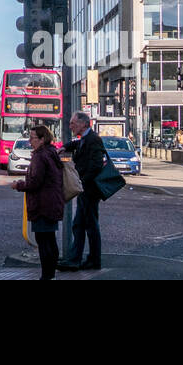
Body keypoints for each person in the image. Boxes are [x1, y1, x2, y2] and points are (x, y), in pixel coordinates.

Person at [12, 125, 64, 280]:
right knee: (50, 239)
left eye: (33, 138)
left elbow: (35, 182)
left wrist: (18, 185)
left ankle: (46, 276)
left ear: (42, 139)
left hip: (43, 205)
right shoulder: (51, 152)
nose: (30, 141)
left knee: (44, 242)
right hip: (52, 203)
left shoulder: (40, 156)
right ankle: (50, 274)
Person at [57, 111, 105, 272]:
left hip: (90, 190)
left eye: (73, 123)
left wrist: (81, 182)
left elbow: (97, 165)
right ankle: (76, 259)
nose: (70, 126)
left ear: (84, 124)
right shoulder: (85, 138)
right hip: (86, 189)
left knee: (90, 226)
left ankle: (91, 260)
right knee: (79, 225)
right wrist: (64, 147)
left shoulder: (94, 139)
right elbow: (77, 144)